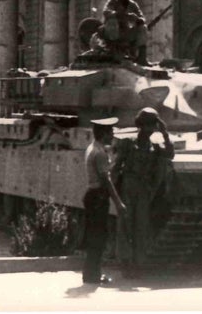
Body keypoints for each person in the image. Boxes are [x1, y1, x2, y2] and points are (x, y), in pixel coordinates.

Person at [112, 107, 175, 277]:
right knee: (125, 225)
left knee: (141, 226)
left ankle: (138, 263)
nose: (151, 129)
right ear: (141, 125)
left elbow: (170, 154)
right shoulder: (127, 143)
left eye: (154, 125)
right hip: (128, 186)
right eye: (149, 125)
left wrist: (165, 133)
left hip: (144, 189)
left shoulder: (154, 146)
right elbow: (116, 166)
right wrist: (112, 191)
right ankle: (125, 263)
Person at [82, 117, 126, 285]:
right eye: (111, 132)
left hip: (93, 195)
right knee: (98, 237)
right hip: (98, 196)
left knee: (95, 236)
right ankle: (93, 276)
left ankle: (91, 274)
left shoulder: (93, 148)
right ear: (103, 133)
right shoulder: (100, 153)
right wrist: (119, 203)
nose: (113, 135)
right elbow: (106, 180)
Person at [101, 0, 149, 65]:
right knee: (112, 22)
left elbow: (141, 18)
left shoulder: (133, 5)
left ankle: (142, 57)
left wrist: (137, 19)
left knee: (143, 27)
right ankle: (113, 52)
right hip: (112, 34)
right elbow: (106, 12)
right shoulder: (113, 1)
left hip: (126, 32)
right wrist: (120, 14)